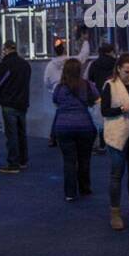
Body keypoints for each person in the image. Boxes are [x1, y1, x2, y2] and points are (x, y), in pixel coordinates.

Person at [52, 57, 99, 202]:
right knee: (84, 159)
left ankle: (70, 193)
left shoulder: (59, 88)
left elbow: (56, 102)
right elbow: (97, 101)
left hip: (63, 127)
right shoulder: (87, 85)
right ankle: (85, 188)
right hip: (85, 126)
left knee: (69, 161)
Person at [101, 53, 129, 231]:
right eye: (127, 72)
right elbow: (105, 111)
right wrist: (123, 108)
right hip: (116, 136)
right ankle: (115, 212)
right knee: (116, 175)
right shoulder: (110, 85)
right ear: (118, 69)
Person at [0, 41, 30, 173]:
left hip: (9, 103)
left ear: (6, 50)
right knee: (21, 133)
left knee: (11, 134)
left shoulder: (6, 64)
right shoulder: (25, 65)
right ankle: (23, 160)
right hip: (22, 103)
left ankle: (13, 163)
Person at [86, 42, 117, 153]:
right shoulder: (116, 63)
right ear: (110, 52)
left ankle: (102, 144)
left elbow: (90, 80)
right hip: (113, 93)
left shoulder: (94, 64)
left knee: (100, 121)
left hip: (99, 95)